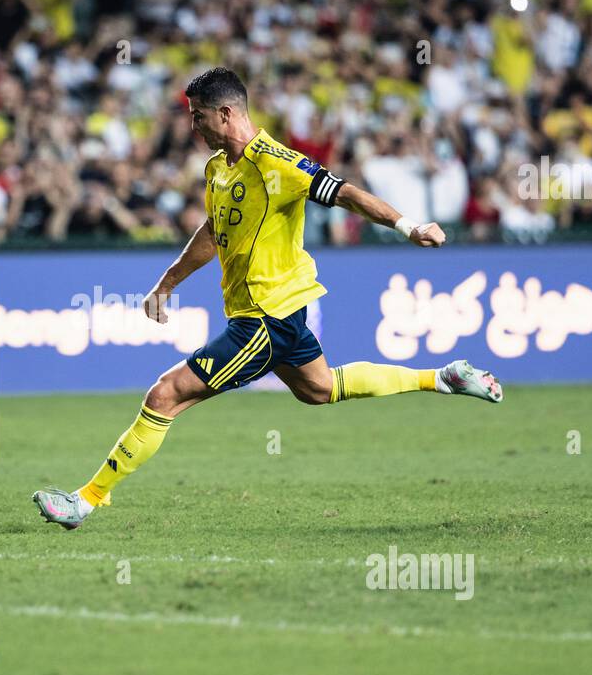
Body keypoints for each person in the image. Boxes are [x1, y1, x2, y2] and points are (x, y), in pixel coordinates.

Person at [33, 67, 503, 530]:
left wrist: (410, 227)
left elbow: (347, 195)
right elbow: (215, 230)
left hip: (265, 319)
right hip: (271, 315)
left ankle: (87, 499)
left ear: (225, 113)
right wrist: (168, 282)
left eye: (198, 117)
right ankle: (444, 378)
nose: (192, 126)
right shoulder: (218, 168)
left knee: (165, 395)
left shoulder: (279, 164)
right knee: (320, 388)